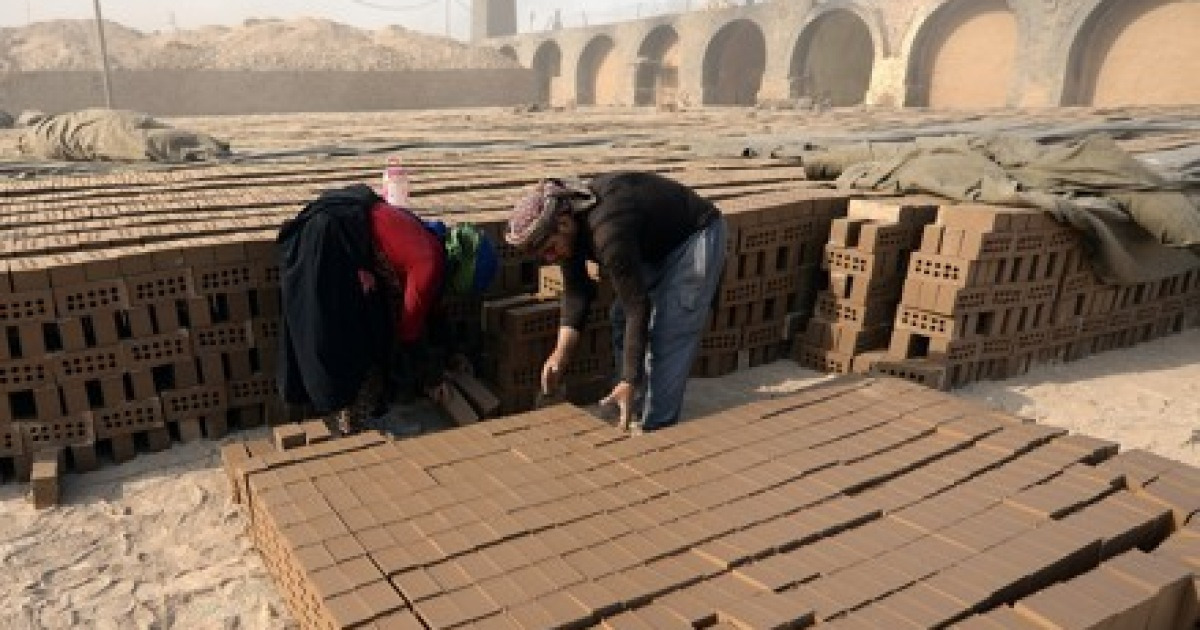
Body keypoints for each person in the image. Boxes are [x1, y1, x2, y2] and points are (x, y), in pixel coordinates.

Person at [505, 172, 727, 433]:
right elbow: (577, 293)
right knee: (619, 317)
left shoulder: (607, 231)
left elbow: (638, 306)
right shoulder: (570, 224)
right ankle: (629, 399)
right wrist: (560, 355)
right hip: (656, 245)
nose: (551, 258)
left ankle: (658, 429)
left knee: (668, 334)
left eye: (551, 249)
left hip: (695, 239)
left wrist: (629, 377)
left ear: (563, 224)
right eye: (544, 255)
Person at [278, 184, 498, 435]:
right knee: (355, 332)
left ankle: (363, 415)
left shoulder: (433, 243)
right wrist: (432, 379)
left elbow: (434, 312)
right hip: (328, 240)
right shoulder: (429, 263)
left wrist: (451, 356)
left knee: (373, 319)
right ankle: (359, 424)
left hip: (338, 227)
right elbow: (409, 333)